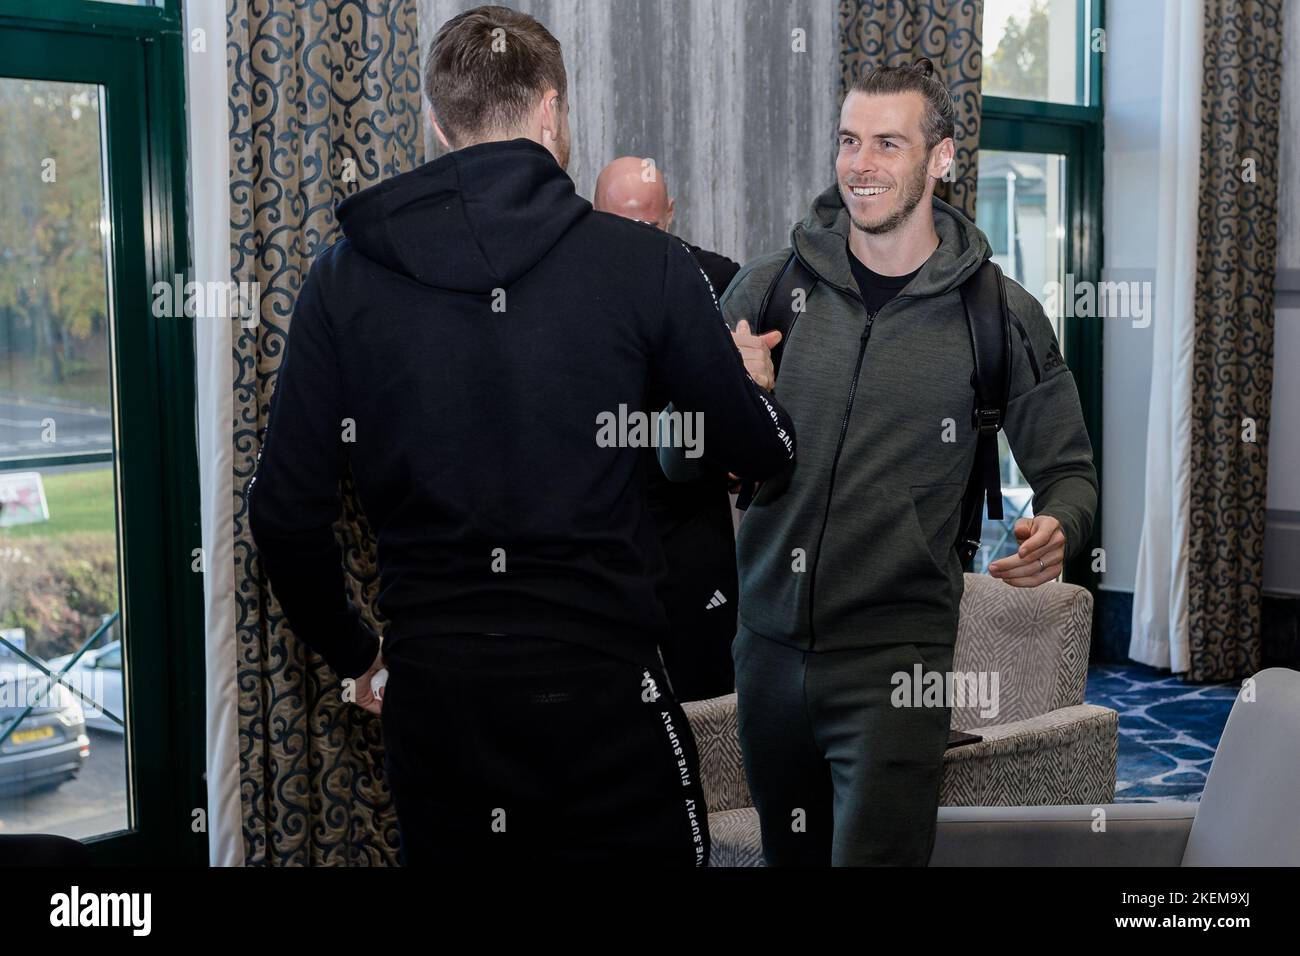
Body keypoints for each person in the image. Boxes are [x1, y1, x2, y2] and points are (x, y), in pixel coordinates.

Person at [247, 4, 796, 867]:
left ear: (435, 122)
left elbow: (282, 515)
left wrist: (360, 654)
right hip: (604, 694)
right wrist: (757, 386)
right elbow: (764, 453)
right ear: (552, 112)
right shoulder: (644, 262)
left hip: (437, 701)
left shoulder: (342, 278)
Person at [666, 59, 1098, 866]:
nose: (859, 163)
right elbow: (669, 457)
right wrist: (728, 401)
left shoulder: (998, 317)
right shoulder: (767, 290)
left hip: (899, 671)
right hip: (765, 658)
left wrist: (1060, 526)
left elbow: (1069, 468)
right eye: (848, 140)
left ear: (940, 158)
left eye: (887, 143)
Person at [593, 156, 746, 701]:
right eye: (620, 224)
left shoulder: (721, 281)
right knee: (610, 701)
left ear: (672, 214)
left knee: (708, 694)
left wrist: (739, 452)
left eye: (650, 226)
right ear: (593, 215)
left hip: (691, 521)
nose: (637, 240)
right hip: (601, 525)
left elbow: (768, 400)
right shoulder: (567, 286)